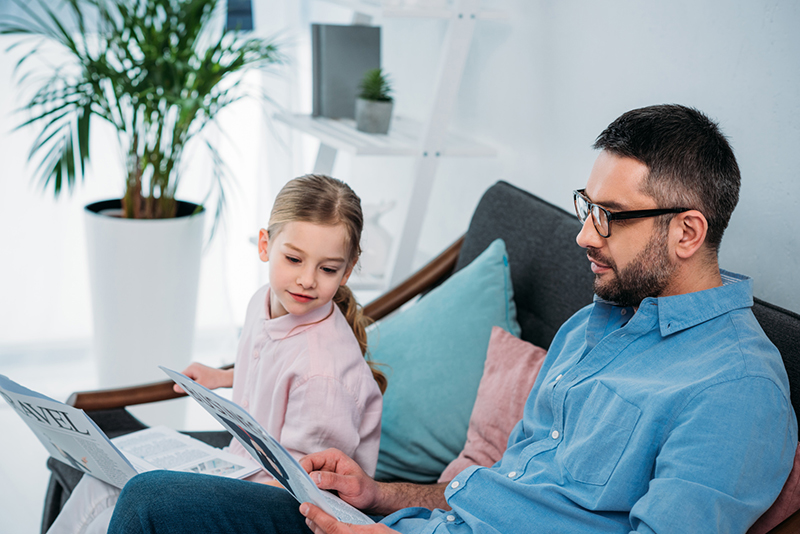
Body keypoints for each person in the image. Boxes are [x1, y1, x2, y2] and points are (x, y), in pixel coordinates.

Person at [108, 104, 797, 534]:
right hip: (407, 523)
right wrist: (376, 492)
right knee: (152, 500)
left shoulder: (734, 389)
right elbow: (501, 491)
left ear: (686, 233)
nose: (584, 236)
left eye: (608, 219)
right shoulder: (593, 325)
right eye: (586, 208)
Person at [47, 174, 386, 534]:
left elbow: (309, 488)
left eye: (327, 269)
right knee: (101, 483)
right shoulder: (266, 301)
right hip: (241, 467)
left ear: (347, 270)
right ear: (264, 245)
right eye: (293, 259)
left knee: (125, 501)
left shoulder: (325, 374)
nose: (307, 279)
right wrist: (224, 378)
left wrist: (205, 486)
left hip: (286, 507)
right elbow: (278, 370)